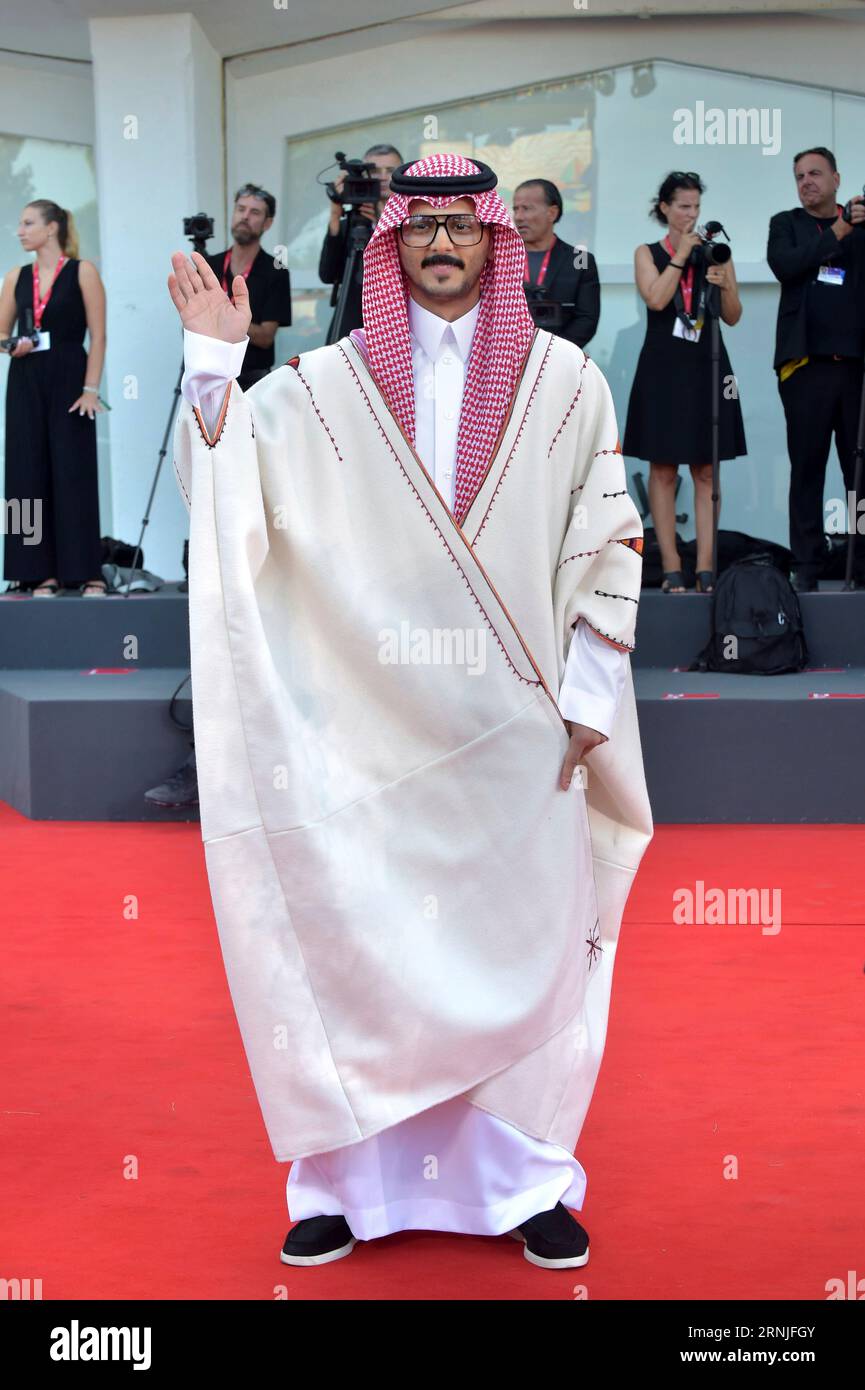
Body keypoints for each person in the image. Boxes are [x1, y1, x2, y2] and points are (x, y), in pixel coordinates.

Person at [168, 153, 653, 1272]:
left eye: (463, 227)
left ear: (498, 240)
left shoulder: (568, 380)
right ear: (391, 245)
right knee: (363, 953)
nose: (443, 244)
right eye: (422, 227)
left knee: (526, 956)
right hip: (366, 738)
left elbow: (607, 537)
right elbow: (229, 487)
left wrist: (586, 700)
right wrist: (211, 362)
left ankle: (526, 1180)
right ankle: (341, 1182)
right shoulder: (320, 383)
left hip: (519, 735)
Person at [623, 172, 746, 594]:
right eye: (683, 206)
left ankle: (707, 567)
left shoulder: (716, 253)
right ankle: (672, 565)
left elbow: (732, 315)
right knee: (663, 468)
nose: (691, 214)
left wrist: (723, 280)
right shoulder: (648, 252)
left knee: (707, 469)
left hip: (707, 363)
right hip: (663, 365)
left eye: (696, 206)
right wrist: (682, 258)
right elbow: (656, 298)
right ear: (665, 209)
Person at [767, 146, 865, 591]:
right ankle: (806, 563)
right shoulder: (786, 225)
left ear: (837, 179)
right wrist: (840, 229)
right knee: (807, 467)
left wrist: (851, 227)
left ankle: (860, 561)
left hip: (856, 369)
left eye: (815, 174)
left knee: (858, 474)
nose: (807, 182)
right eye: (800, 176)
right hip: (805, 367)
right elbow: (787, 266)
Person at [0, 200, 107, 596]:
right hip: (26, 378)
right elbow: (0, 334)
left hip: (69, 378)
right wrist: (13, 345)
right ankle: (33, 572)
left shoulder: (83, 272)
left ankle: (84, 571)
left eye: (28, 223)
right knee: (25, 473)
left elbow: (98, 335)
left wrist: (91, 389)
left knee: (72, 471)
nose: (20, 230)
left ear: (51, 228)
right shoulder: (16, 276)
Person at [205, 184, 291, 390]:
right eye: (240, 209)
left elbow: (265, 337)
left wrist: (223, 319)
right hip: (210, 375)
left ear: (267, 223)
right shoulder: (209, 266)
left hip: (254, 382)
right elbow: (192, 327)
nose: (245, 217)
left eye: (255, 212)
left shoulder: (276, 271)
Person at [318, 143, 402, 340]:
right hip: (348, 324)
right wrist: (335, 214)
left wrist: (381, 223)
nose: (382, 177)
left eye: (390, 171)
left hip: (392, 325)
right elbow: (327, 274)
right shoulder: (351, 224)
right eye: (374, 170)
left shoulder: (410, 223)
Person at [513, 178, 600, 347]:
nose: (518, 217)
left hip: (560, 357)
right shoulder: (500, 257)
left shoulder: (580, 259)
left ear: (552, 213)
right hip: (507, 355)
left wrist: (552, 353)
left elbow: (586, 320)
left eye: (527, 209)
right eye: (515, 209)